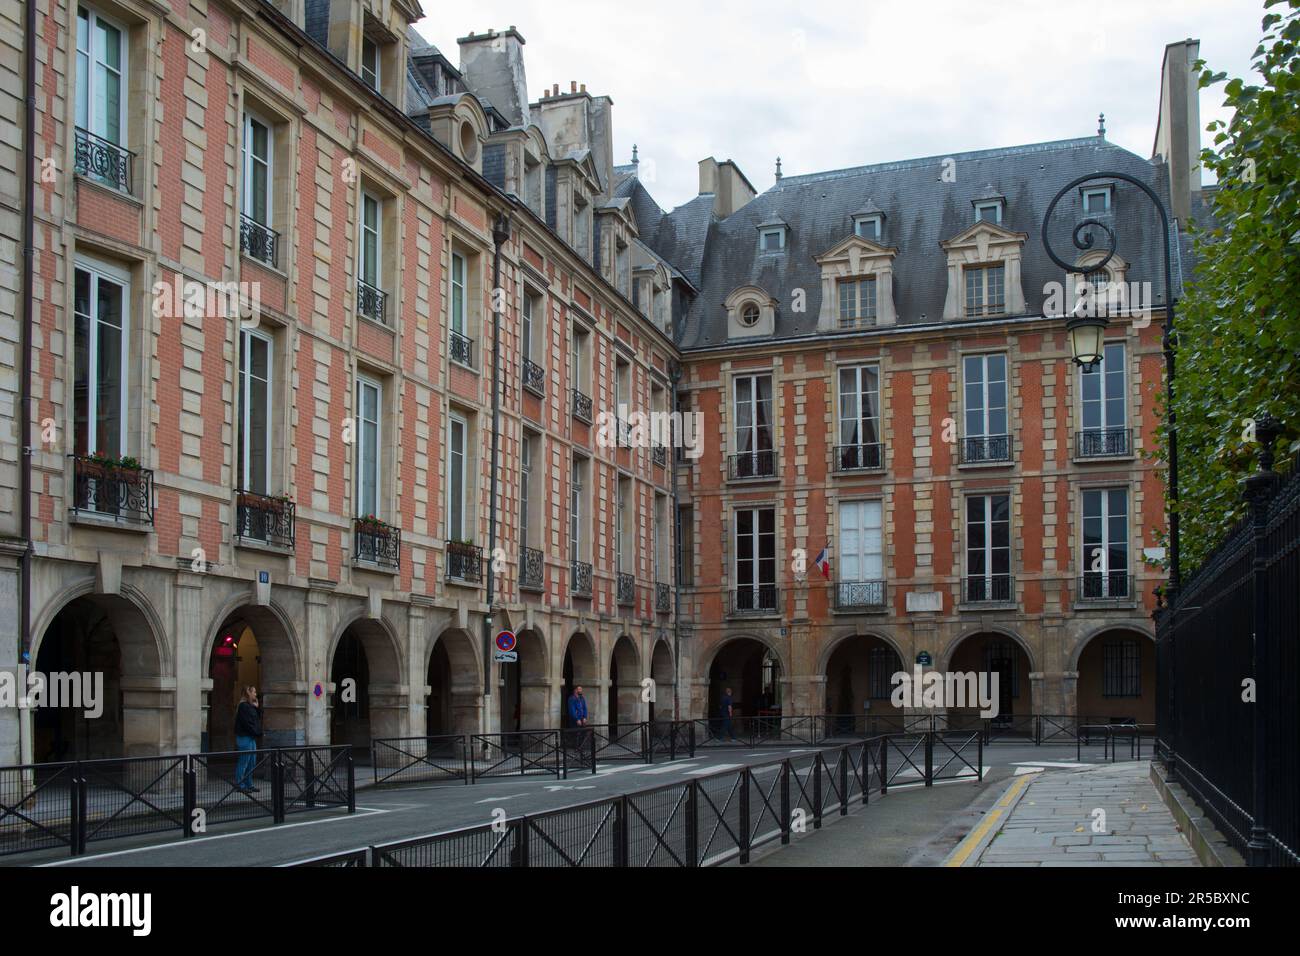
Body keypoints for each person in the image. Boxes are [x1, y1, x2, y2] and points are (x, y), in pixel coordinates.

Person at [234, 686, 262, 792]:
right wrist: (257, 733)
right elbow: (248, 723)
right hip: (244, 737)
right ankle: (240, 785)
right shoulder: (243, 706)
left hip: (250, 737)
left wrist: (256, 707)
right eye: (254, 692)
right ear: (248, 693)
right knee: (244, 762)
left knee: (251, 762)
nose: (255, 694)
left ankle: (249, 784)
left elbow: (257, 718)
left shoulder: (249, 706)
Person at [567, 685, 589, 752]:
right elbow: (572, 710)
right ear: (575, 690)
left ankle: (581, 747)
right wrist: (577, 719)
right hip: (575, 720)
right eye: (579, 689)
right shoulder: (572, 698)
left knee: (582, 734)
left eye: (581, 689)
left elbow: (584, 708)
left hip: (582, 718)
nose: (580, 691)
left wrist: (585, 717)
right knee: (576, 734)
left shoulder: (582, 698)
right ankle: (576, 748)